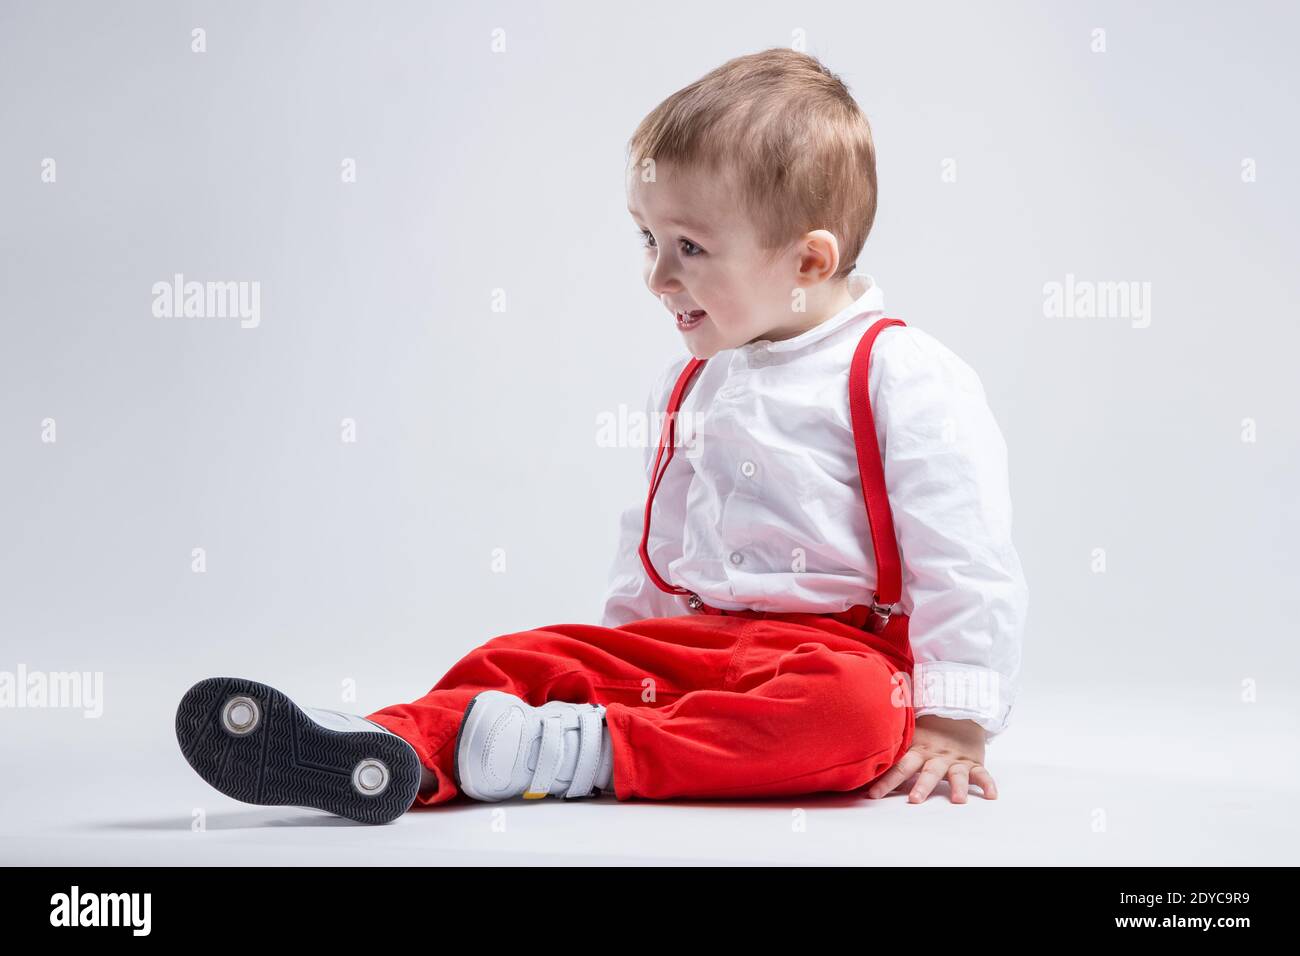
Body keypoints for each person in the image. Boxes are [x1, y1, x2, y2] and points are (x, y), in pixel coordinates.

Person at [175, 47, 1027, 825]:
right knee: (524, 654)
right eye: (649, 239)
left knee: (849, 716)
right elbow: (655, 531)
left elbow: (965, 553)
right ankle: (391, 747)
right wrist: (620, 650)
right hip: (697, 642)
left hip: (838, 653)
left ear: (808, 261)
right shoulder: (701, 376)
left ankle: (583, 750)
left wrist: (955, 718)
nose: (657, 276)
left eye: (690, 247)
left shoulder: (901, 372)